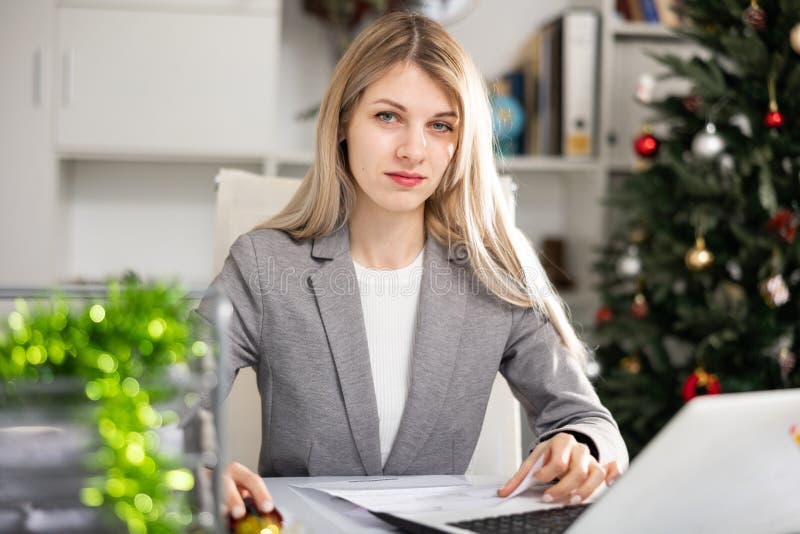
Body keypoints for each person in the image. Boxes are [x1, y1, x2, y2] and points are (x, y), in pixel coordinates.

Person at [197, 9, 628, 522]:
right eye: (388, 117)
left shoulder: (494, 272)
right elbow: (163, 406)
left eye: (440, 126)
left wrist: (580, 446)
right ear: (343, 123)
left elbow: (591, 422)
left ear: (459, 144)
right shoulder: (264, 265)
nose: (413, 151)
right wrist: (199, 467)